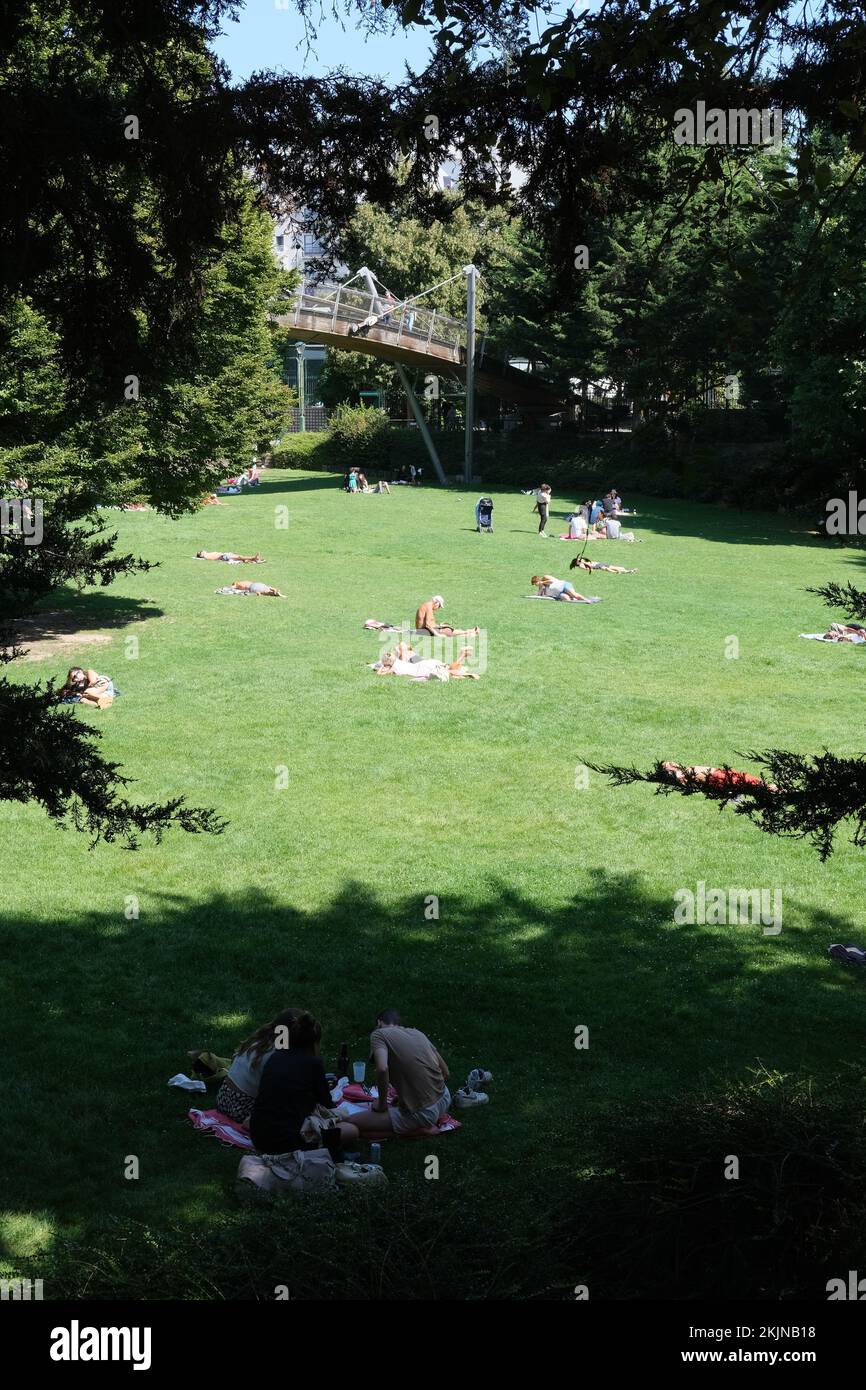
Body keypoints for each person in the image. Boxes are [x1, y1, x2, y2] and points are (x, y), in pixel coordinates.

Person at [249, 1009, 360, 1159]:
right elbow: (327, 1103)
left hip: (258, 1136)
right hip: (286, 1142)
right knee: (351, 1130)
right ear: (314, 1042)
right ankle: (333, 1156)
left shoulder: (276, 1057)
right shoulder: (313, 1063)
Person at [342, 1009, 451, 1136]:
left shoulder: (379, 1034)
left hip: (423, 1113)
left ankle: (417, 1131)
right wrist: (409, 1095)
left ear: (379, 1023)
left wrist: (382, 1104)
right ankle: (414, 1125)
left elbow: (382, 1068)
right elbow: (446, 1072)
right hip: (444, 1099)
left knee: (351, 1123)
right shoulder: (417, 1033)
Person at [375, 642, 479, 680]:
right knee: (447, 668)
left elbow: (380, 674)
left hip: (422, 667)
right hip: (424, 663)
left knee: (447, 671)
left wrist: (382, 667)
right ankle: (462, 656)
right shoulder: (399, 662)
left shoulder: (396, 666)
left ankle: (466, 672)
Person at [660, 762, 778, 793]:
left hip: (722, 776)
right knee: (759, 784)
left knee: (757, 784)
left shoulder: (685, 772)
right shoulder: (683, 774)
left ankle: (783, 792)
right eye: (668, 765)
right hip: (721, 777)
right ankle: (786, 793)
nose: (673, 763)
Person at [414, 595, 479, 637]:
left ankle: (468, 631)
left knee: (447, 628)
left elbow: (429, 623)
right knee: (447, 631)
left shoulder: (428, 605)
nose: (438, 608)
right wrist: (438, 635)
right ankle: (469, 634)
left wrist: (438, 626)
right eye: (439, 606)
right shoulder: (428, 607)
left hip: (425, 630)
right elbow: (428, 625)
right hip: (423, 631)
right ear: (436, 603)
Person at [570, 555, 636, 574]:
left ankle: (628, 570)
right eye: (578, 560)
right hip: (597, 566)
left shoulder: (582, 561)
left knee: (614, 567)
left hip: (599, 563)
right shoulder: (581, 565)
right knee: (608, 569)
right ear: (576, 563)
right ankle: (618, 572)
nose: (579, 559)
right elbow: (588, 569)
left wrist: (582, 560)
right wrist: (583, 562)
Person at [218, 581, 284, 597]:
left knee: (266, 590)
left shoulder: (240, 584)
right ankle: (274, 592)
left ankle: (274, 592)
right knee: (266, 590)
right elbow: (232, 587)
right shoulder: (240, 584)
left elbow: (232, 587)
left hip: (257, 586)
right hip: (256, 586)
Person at [196, 550, 262, 563]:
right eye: (202, 551)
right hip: (224, 556)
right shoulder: (206, 556)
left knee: (240, 558)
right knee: (239, 557)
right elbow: (214, 558)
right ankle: (253, 557)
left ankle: (254, 559)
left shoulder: (207, 554)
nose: (204, 550)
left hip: (224, 555)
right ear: (201, 555)